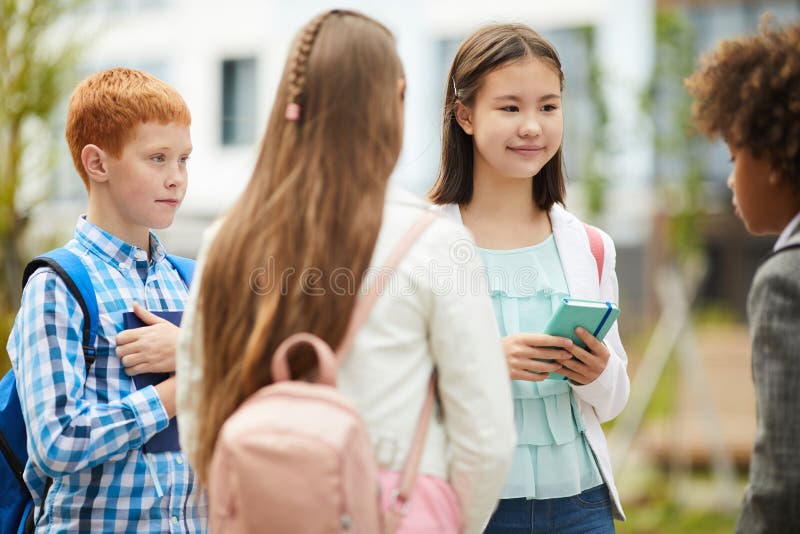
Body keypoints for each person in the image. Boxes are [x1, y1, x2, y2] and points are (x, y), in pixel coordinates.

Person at [174, 9, 515, 534]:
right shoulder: (433, 243)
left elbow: (198, 407)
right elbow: (486, 438)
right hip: (393, 511)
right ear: (394, 100)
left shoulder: (227, 239)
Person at [430, 24, 629, 532]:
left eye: (548, 106)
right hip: (469, 506)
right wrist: (484, 364)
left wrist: (598, 371)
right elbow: (386, 386)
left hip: (582, 506)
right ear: (465, 116)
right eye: (510, 107)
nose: (533, 126)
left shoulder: (590, 246)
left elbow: (613, 400)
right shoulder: (420, 243)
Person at [6, 68, 206, 532]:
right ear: (97, 164)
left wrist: (197, 356)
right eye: (157, 158)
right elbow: (58, 443)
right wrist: (179, 388)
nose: (176, 178)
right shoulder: (59, 285)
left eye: (184, 159)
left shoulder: (191, 282)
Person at [686, 19, 800, 533]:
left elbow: (785, 478)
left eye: (735, 157)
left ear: (775, 159)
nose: (731, 178)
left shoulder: (784, 281)